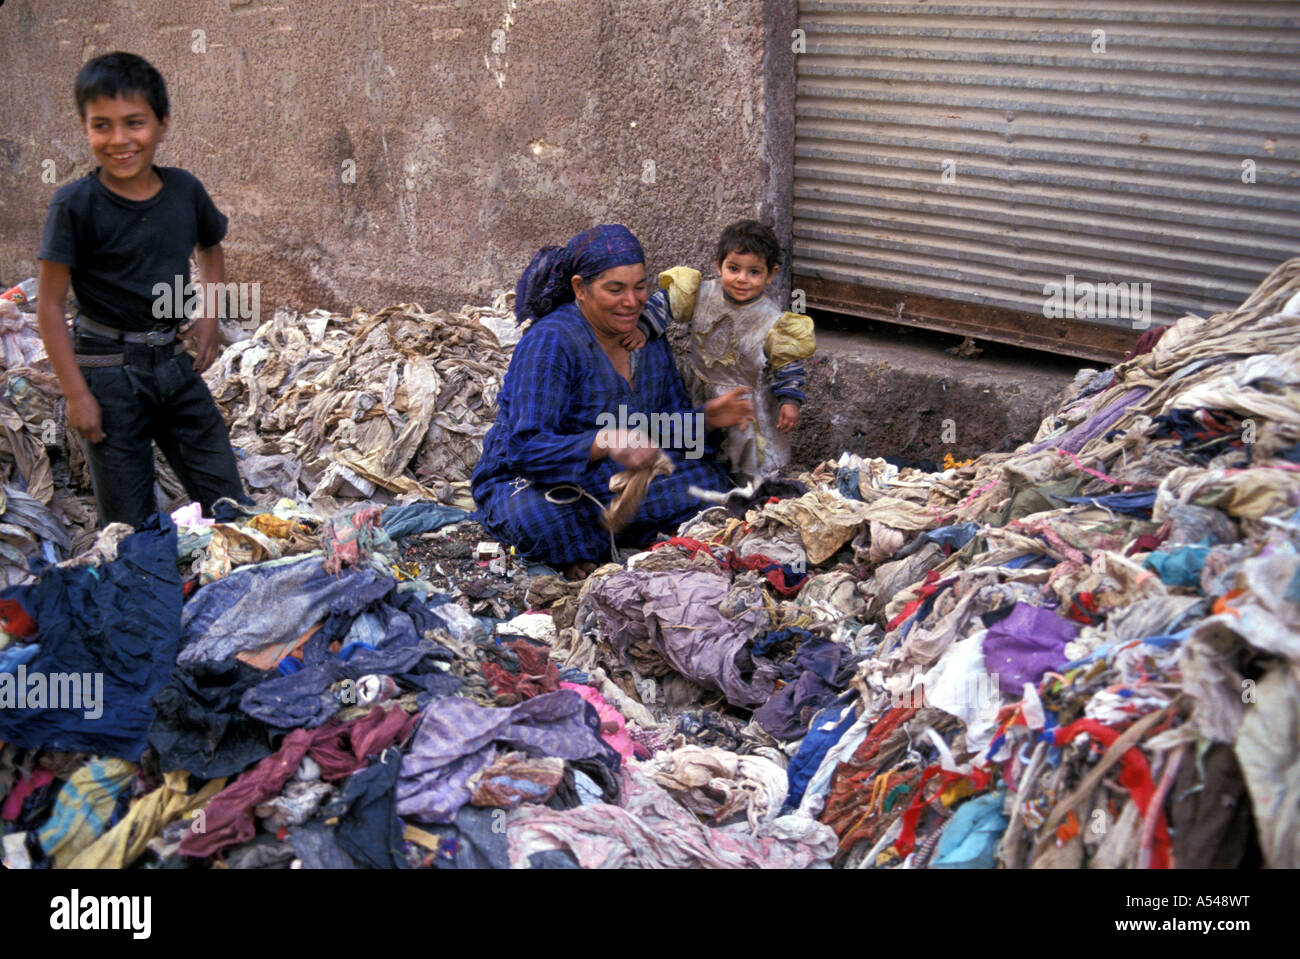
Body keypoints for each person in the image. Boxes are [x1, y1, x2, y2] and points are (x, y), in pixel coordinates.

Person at [35, 51, 248, 528]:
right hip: (106, 374)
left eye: (134, 123)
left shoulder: (183, 191)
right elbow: (48, 306)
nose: (119, 140)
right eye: (101, 125)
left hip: (173, 363)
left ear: (162, 123)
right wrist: (76, 395)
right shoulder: (75, 205)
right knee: (129, 526)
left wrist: (210, 316)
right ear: (85, 127)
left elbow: (210, 247)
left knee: (230, 505)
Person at [471, 224, 753, 579]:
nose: (632, 302)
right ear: (580, 289)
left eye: (640, 288)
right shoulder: (551, 343)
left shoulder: (645, 336)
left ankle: (604, 545)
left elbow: (665, 430)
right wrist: (606, 441)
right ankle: (621, 540)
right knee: (543, 519)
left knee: (709, 487)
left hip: (616, 475)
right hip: (540, 478)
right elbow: (526, 450)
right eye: (615, 289)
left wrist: (708, 420)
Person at [627, 220, 815, 484]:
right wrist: (644, 328)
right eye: (734, 268)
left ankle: (745, 497)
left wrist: (790, 401)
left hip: (744, 404)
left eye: (754, 272)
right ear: (719, 264)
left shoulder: (773, 321)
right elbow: (664, 303)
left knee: (746, 462)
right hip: (697, 392)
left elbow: (787, 365)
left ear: (770, 274)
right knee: (694, 446)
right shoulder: (700, 293)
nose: (742, 279)